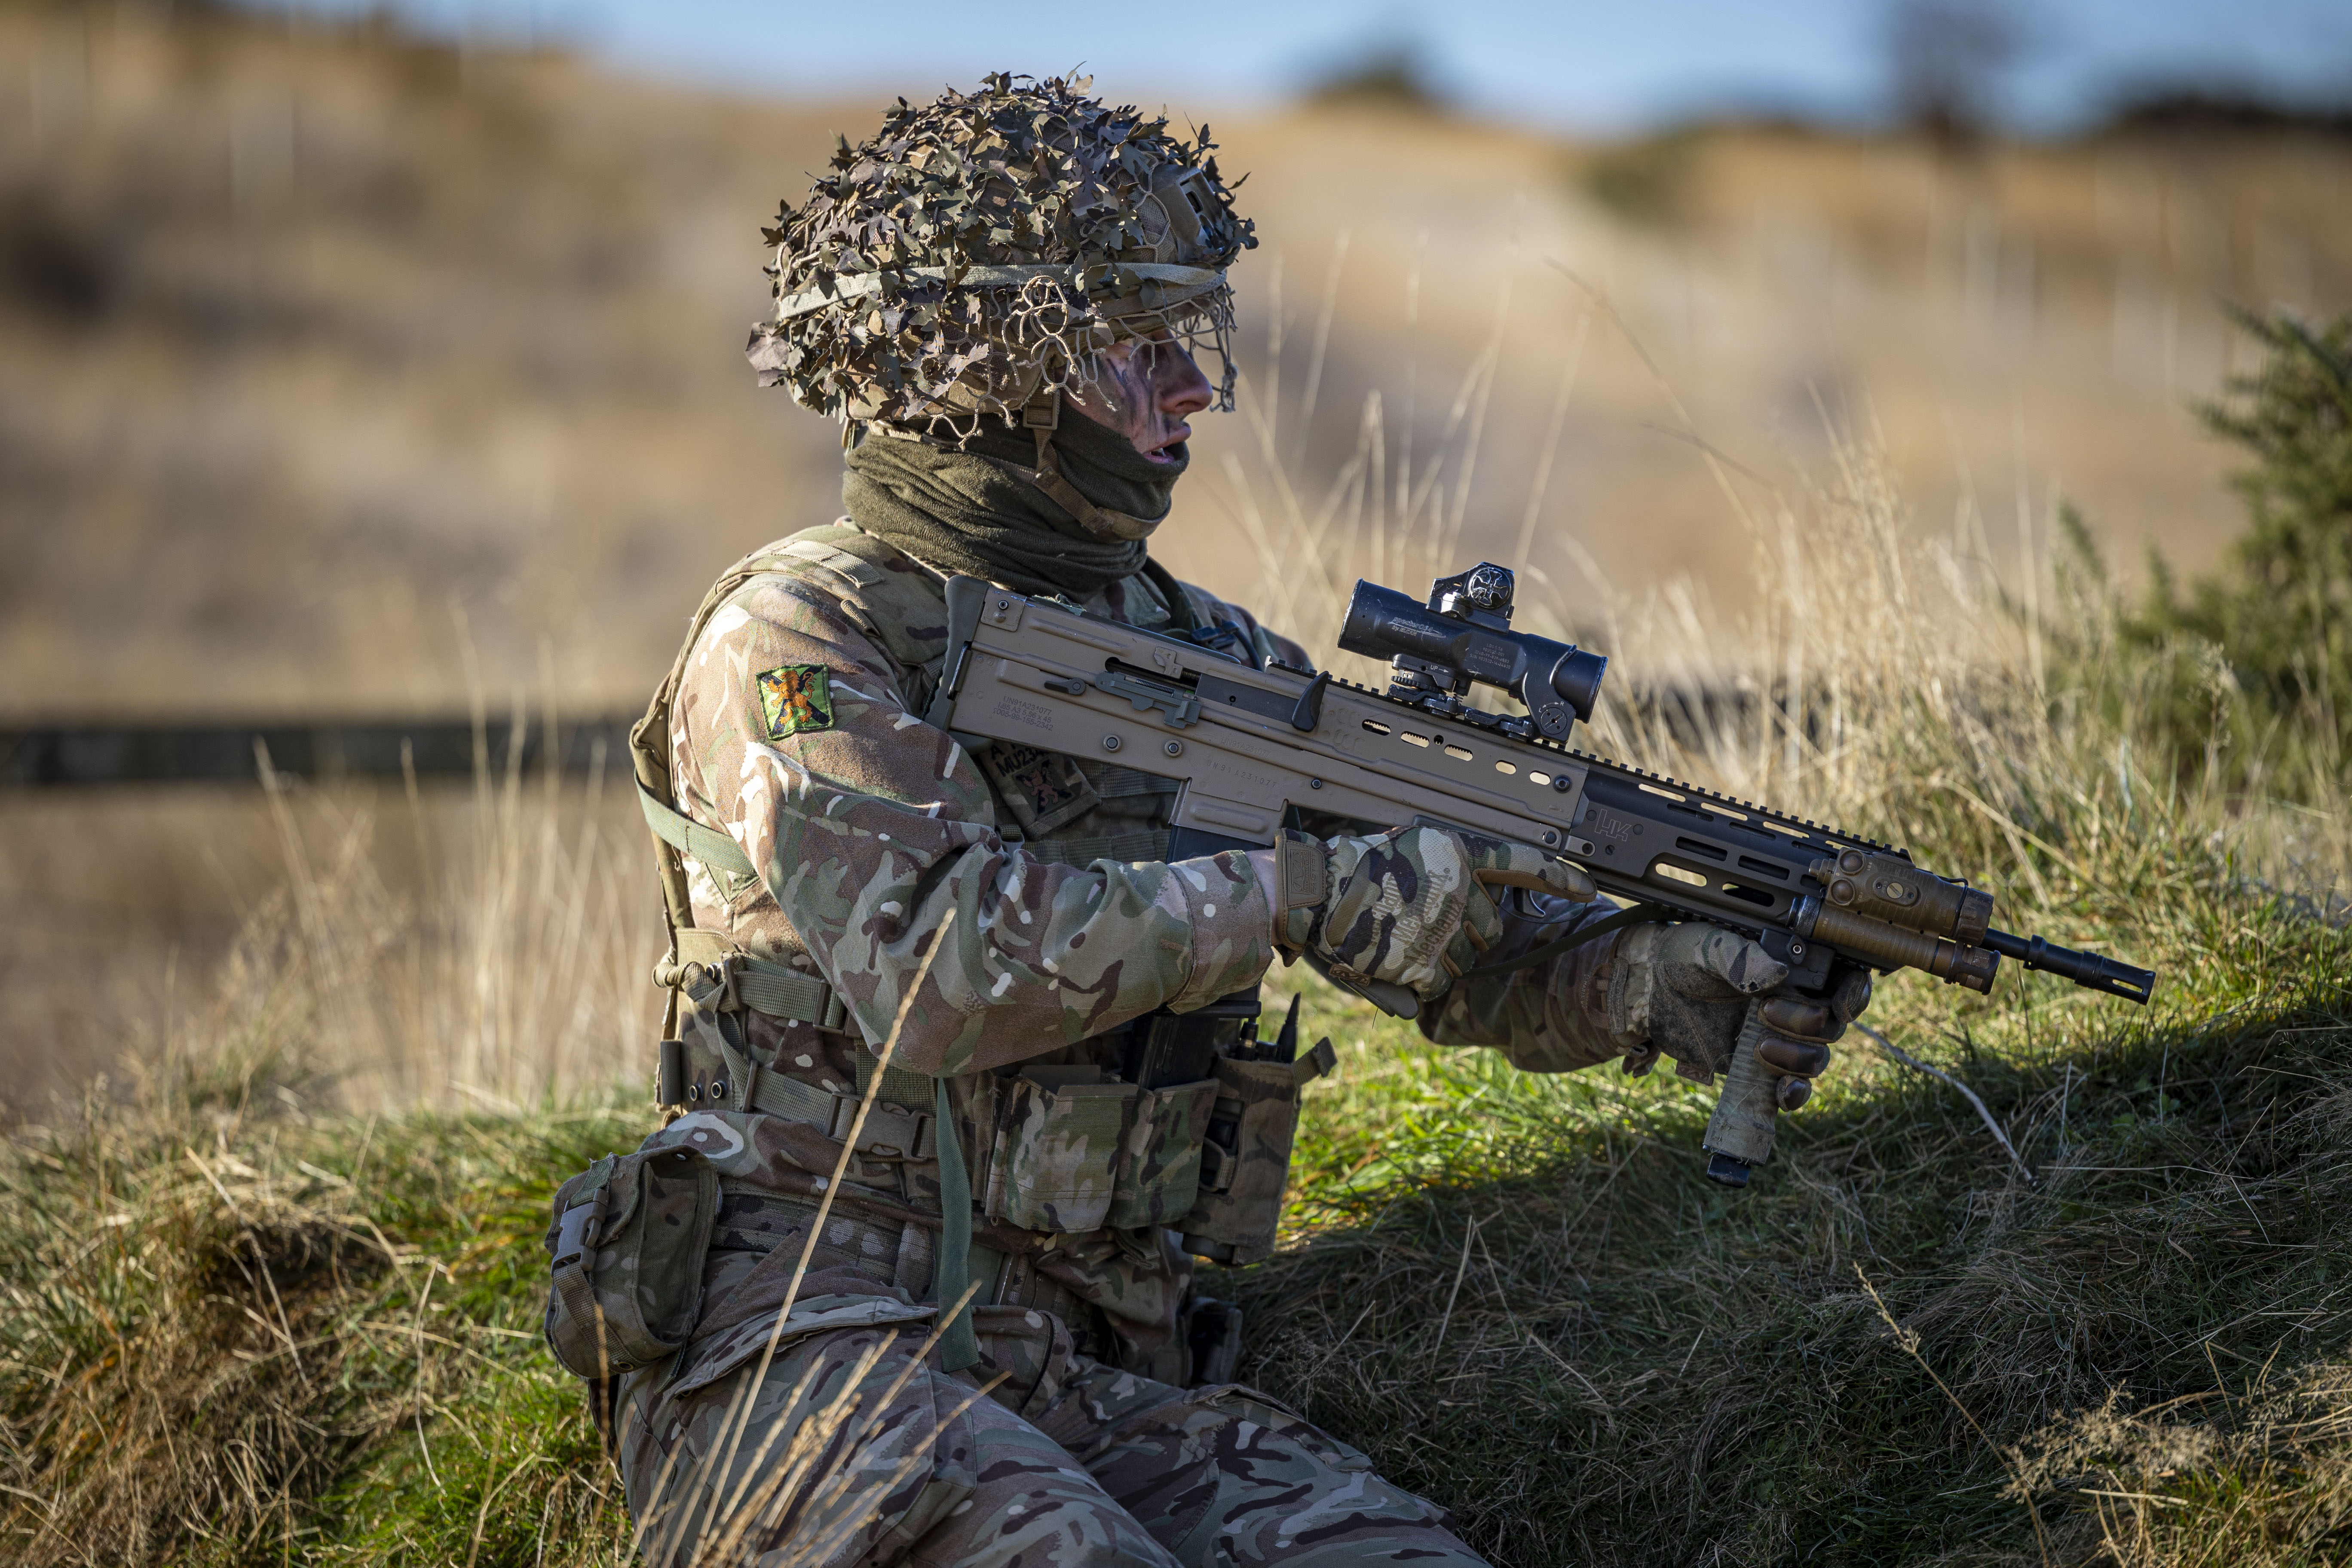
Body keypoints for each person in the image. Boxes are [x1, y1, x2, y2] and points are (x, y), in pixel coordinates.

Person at [567, 74, 1871, 1568]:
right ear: (989, 367)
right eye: (1135, 348)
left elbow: (1449, 943)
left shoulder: (1218, 657)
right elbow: (937, 971)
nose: (1190, 390)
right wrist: (1302, 893)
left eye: (1193, 341)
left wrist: (1657, 978)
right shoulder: (806, 631)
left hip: (1099, 1363)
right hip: (807, 1345)